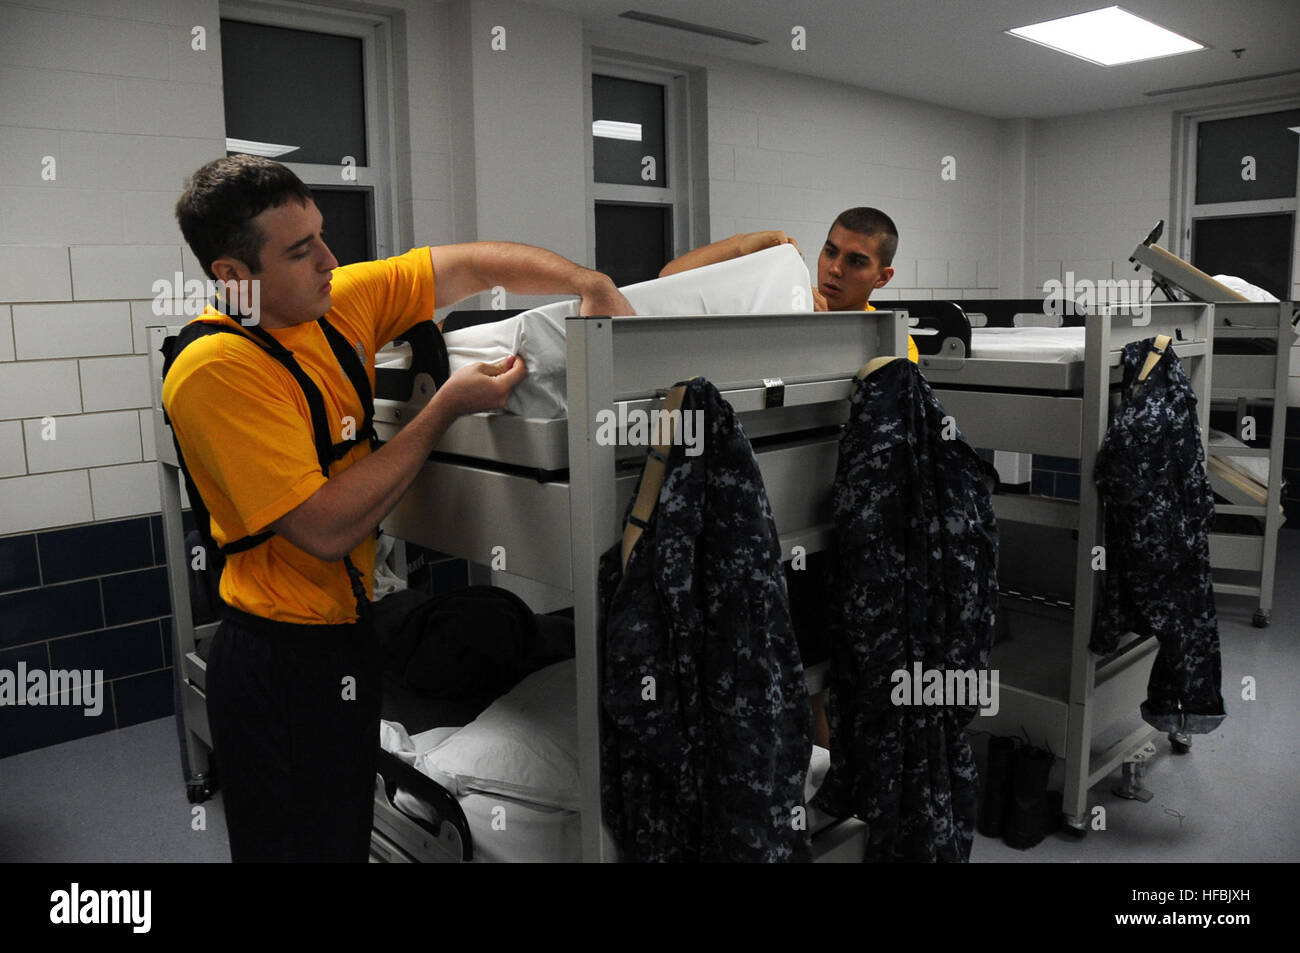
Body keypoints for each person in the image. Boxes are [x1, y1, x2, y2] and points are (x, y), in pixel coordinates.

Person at [164, 154, 633, 861]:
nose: (330, 259)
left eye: (322, 235)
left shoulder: (331, 302)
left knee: (340, 837)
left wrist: (586, 283)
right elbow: (323, 527)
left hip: (348, 631)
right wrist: (443, 408)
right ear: (234, 278)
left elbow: (471, 265)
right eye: (300, 250)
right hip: (278, 655)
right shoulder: (217, 370)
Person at [660, 206, 917, 362]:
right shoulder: (787, 304)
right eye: (830, 252)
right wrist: (740, 245)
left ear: (882, 277)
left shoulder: (894, 343)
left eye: (856, 262)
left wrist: (824, 330)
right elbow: (669, 280)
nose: (835, 269)